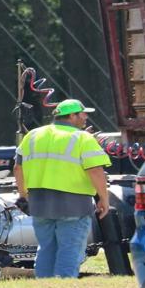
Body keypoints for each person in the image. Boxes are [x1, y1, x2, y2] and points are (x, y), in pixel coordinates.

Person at [15, 99, 111, 278]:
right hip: (74, 204)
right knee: (70, 249)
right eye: (83, 114)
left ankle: (46, 286)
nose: (86, 117)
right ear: (73, 116)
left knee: (46, 248)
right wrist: (104, 199)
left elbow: (18, 168)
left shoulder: (33, 135)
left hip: (39, 204)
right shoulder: (82, 138)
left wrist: (23, 195)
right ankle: (64, 286)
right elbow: (96, 170)